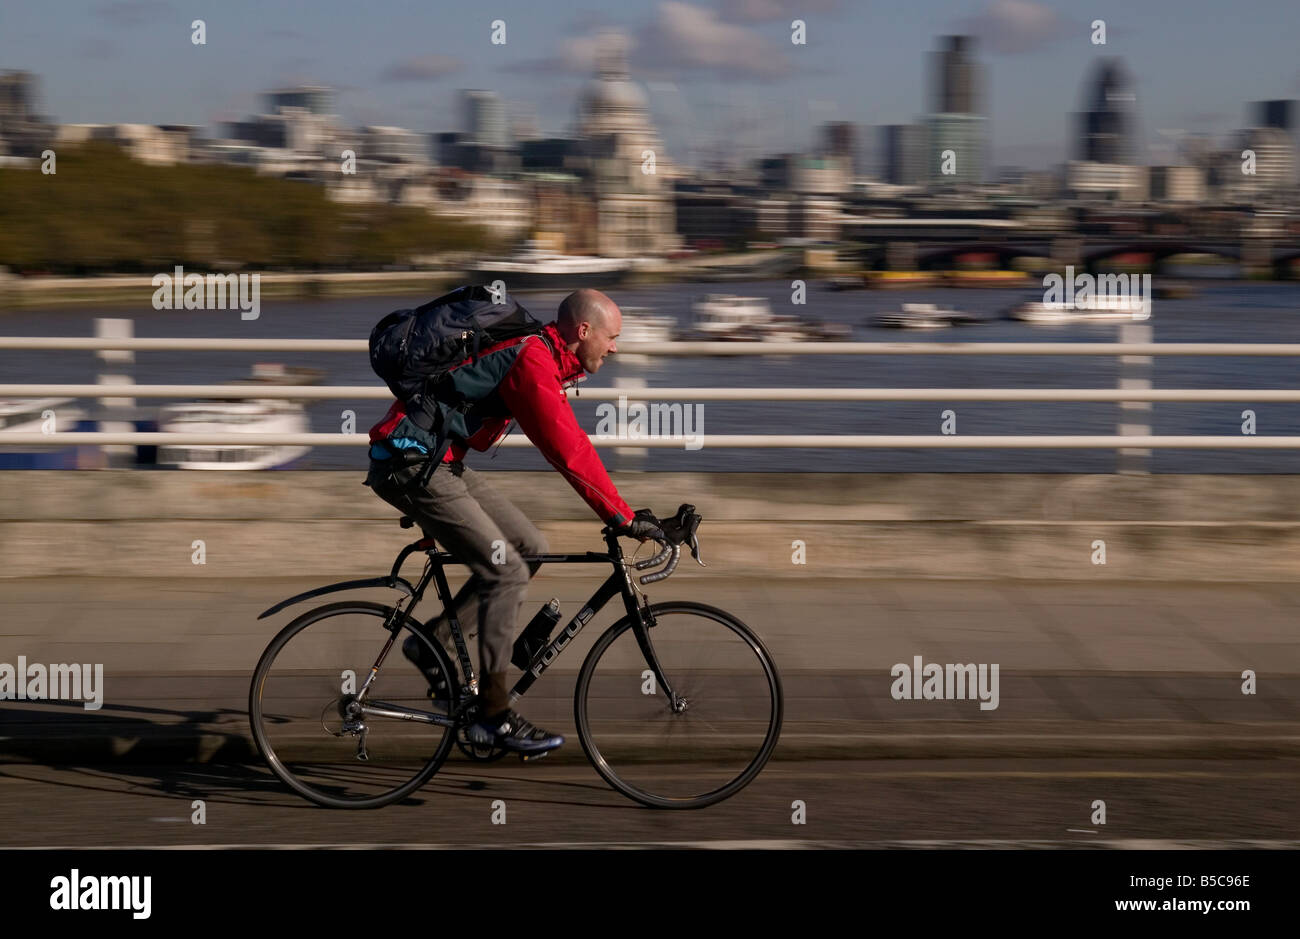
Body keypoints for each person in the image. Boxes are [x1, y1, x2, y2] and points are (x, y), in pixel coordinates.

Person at [363, 288, 665, 754]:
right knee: (505, 571)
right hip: (412, 463)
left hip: (439, 462)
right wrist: (622, 517)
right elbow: (567, 448)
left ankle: (433, 645)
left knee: (526, 545)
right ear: (583, 331)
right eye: (612, 337)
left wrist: (620, 511)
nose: (615, 347)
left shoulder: (537, 354)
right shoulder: (531, 358)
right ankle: (493, 718)